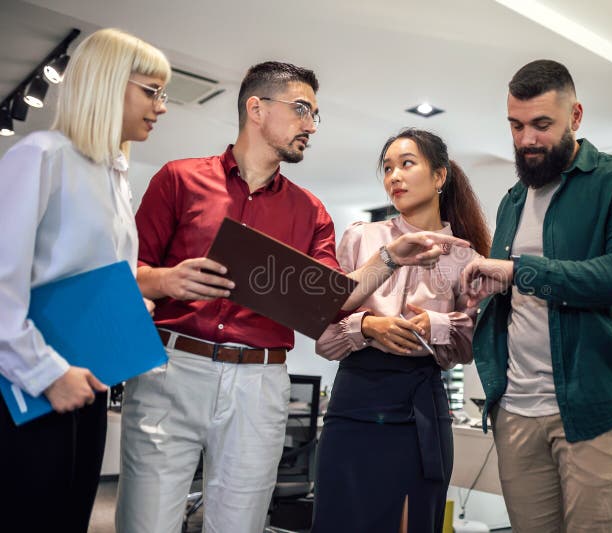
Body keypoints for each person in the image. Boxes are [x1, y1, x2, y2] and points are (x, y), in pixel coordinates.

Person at [117, 63, 465, 533]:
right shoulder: (178, 179)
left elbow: (334, 301)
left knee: (239, 525)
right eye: (302, 110)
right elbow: (125, 274)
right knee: (146, 522)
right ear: (256, 108)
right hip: (173, 368)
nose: (311, 126)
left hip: (259, 382)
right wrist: (166, 281)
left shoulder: (311, 211)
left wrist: (389, 258)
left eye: (314, 114)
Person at [460, 60, 612, 532]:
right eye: (516, 126)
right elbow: (515, 296)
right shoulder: (513, 201)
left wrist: (519, 271)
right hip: (516, 412)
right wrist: (483, 301)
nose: (526, 139)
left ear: (575, 116)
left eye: (541, 124)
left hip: (598, 413)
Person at [0, 28, 170, 533]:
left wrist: (132, 310)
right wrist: (46, 373)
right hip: (31, 383)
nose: (161, 107)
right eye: (151, 91)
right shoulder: (42, 155)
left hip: (88, 382)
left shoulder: (115, 176)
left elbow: (93, 278)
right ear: (108, 83)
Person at [311, 128, 490, 533]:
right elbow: (323, 335)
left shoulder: (467, 256)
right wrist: (366, 326)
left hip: (421, 409)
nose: (394, 176)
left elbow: (470, 346)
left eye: (407, 164)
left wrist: (436, 324)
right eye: (388, 168)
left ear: (439, 176)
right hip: (354, 405)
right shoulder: (361, 238)